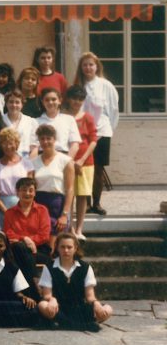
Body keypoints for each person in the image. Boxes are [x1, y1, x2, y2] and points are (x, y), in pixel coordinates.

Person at [38, 233, 113, 331]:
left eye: (69, 247)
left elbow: (90, 296)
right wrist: (52, 300)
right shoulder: (49, 267)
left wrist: (96, 304)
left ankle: (66, 324)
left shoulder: (85, 267)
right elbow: (46, 295)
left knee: (108, 309)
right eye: (62, 247)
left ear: (75, 248)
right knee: (42, 305)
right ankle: (82, 326)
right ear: (57, 248)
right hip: (59, 308)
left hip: (78, 307)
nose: (66, 250)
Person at [75, 51, 119, 215]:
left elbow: (113, 110)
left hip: (102, 131)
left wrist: (108, 129)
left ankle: (97, 203)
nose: (88, 68)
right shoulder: (78, 85)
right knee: (85, 169)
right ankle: (85, 204)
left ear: (97, 66)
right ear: (81, 67)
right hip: (83, 134)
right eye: (85, 64)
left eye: (91, 64)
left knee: (98, 170)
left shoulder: (105, 85)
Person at [3, 176, 54, 288]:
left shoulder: (42, 210)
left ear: (35, 193)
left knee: (21, 253)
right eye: (23, 190)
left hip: (40, 250)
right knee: (19, 248)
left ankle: (25, 287)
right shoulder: (9, 213)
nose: (27, 193)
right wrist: (25, 239)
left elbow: (44, 235)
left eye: (31, 190)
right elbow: (8, 234)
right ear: (17, 192)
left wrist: (31, 242)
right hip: (17, 249)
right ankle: (34, 283)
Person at [64, 85, 97, 239]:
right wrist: (70, 160)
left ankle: (79, 229)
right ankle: (69, 229)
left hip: (86, 161)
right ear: (69, 99)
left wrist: (82, 160)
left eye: (80, 99)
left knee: (82, 195)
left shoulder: (88, 117)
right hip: (68, 161)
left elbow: (93, 141)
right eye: (74, 98)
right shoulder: (64, 117)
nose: (77, 102)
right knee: (69, 194)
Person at [30, 124, 75, 236]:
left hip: (57, 205)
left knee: (57, 239)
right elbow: (31, 187)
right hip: (39, 203)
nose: (45, 142)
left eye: (48, 138)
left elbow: (70, 189)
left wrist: (64, 214)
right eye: (42, 139)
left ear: (54, 139)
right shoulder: (33, 162)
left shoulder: (66, 160)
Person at [0, 128, 30, 212]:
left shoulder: (27, 164)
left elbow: (31, 189)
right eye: (5, 143)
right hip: (2, 207)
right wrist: (5, 211)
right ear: (1, 145)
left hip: (23, 206)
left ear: (17, 144)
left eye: (11, 143)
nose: (8, 147)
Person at [35, 87, 81, 157]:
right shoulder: (36, 121)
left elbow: (75, 144)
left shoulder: (69, 119)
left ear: (60, 101)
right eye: (47, 100)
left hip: (63, 156)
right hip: (42, 157)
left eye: (54, 99)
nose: (50, 102)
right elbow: (34, 146)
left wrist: (66, 162)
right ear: (42, 102)